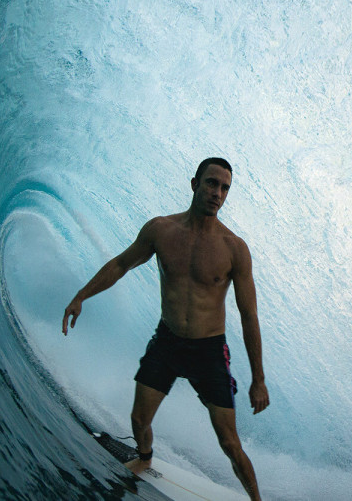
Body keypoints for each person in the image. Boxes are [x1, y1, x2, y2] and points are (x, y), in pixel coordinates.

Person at [62, 157, 268, 500]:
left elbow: (249, 315)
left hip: (209, 351)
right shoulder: (161, 230)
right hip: (168, 342)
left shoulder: (234, 249)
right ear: (195, 184)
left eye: (225, 188)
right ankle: (144, 458)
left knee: (230, 443)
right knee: (139, 420)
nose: (217, 193)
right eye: (211, 183)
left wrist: (258, 379)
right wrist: (81, 295)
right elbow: (121, 264)